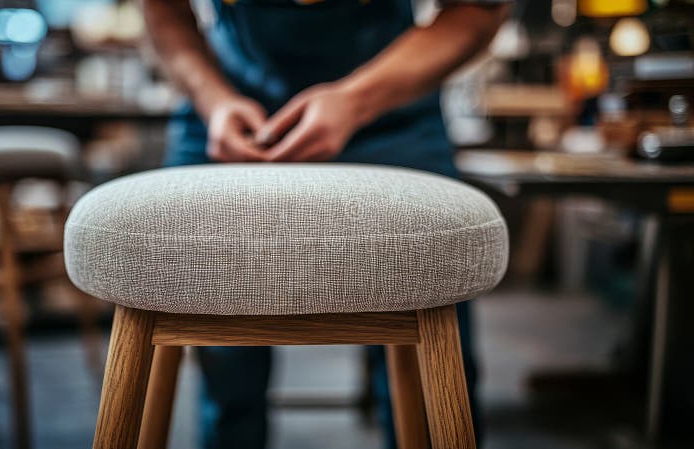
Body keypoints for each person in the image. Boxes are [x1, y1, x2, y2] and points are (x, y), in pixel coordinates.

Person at [142, 1, 509, 448]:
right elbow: (163, 13)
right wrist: (212, 100)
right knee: (224, 357)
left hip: (391, 102)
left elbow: (477, 10)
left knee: (430, 365)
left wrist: (356, 100)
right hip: (226, 101)